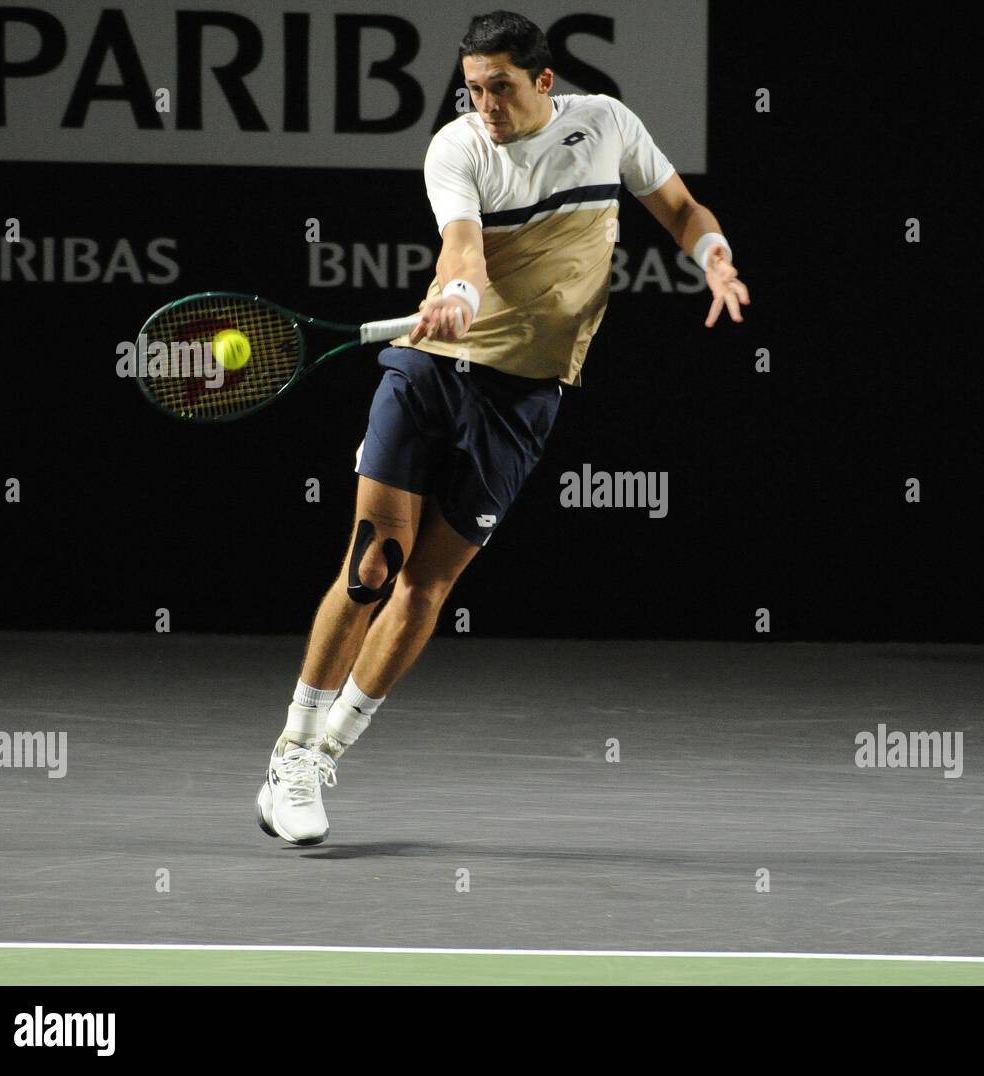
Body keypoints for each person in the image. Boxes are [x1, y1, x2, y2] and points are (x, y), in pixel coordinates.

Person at [257, 9, 750, 844]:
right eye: (472, 88)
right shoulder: (458, 147)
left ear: (543, 81)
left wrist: (714, 257)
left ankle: (331, 750)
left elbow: (680, 207)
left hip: (527, 394)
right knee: (375, 565)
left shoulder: (607, 126)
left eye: (500, 88)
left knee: (427, 588)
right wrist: (456, 296)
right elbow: (462, 247)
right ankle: (291, 752)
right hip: (430, 371)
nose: (483, 103)